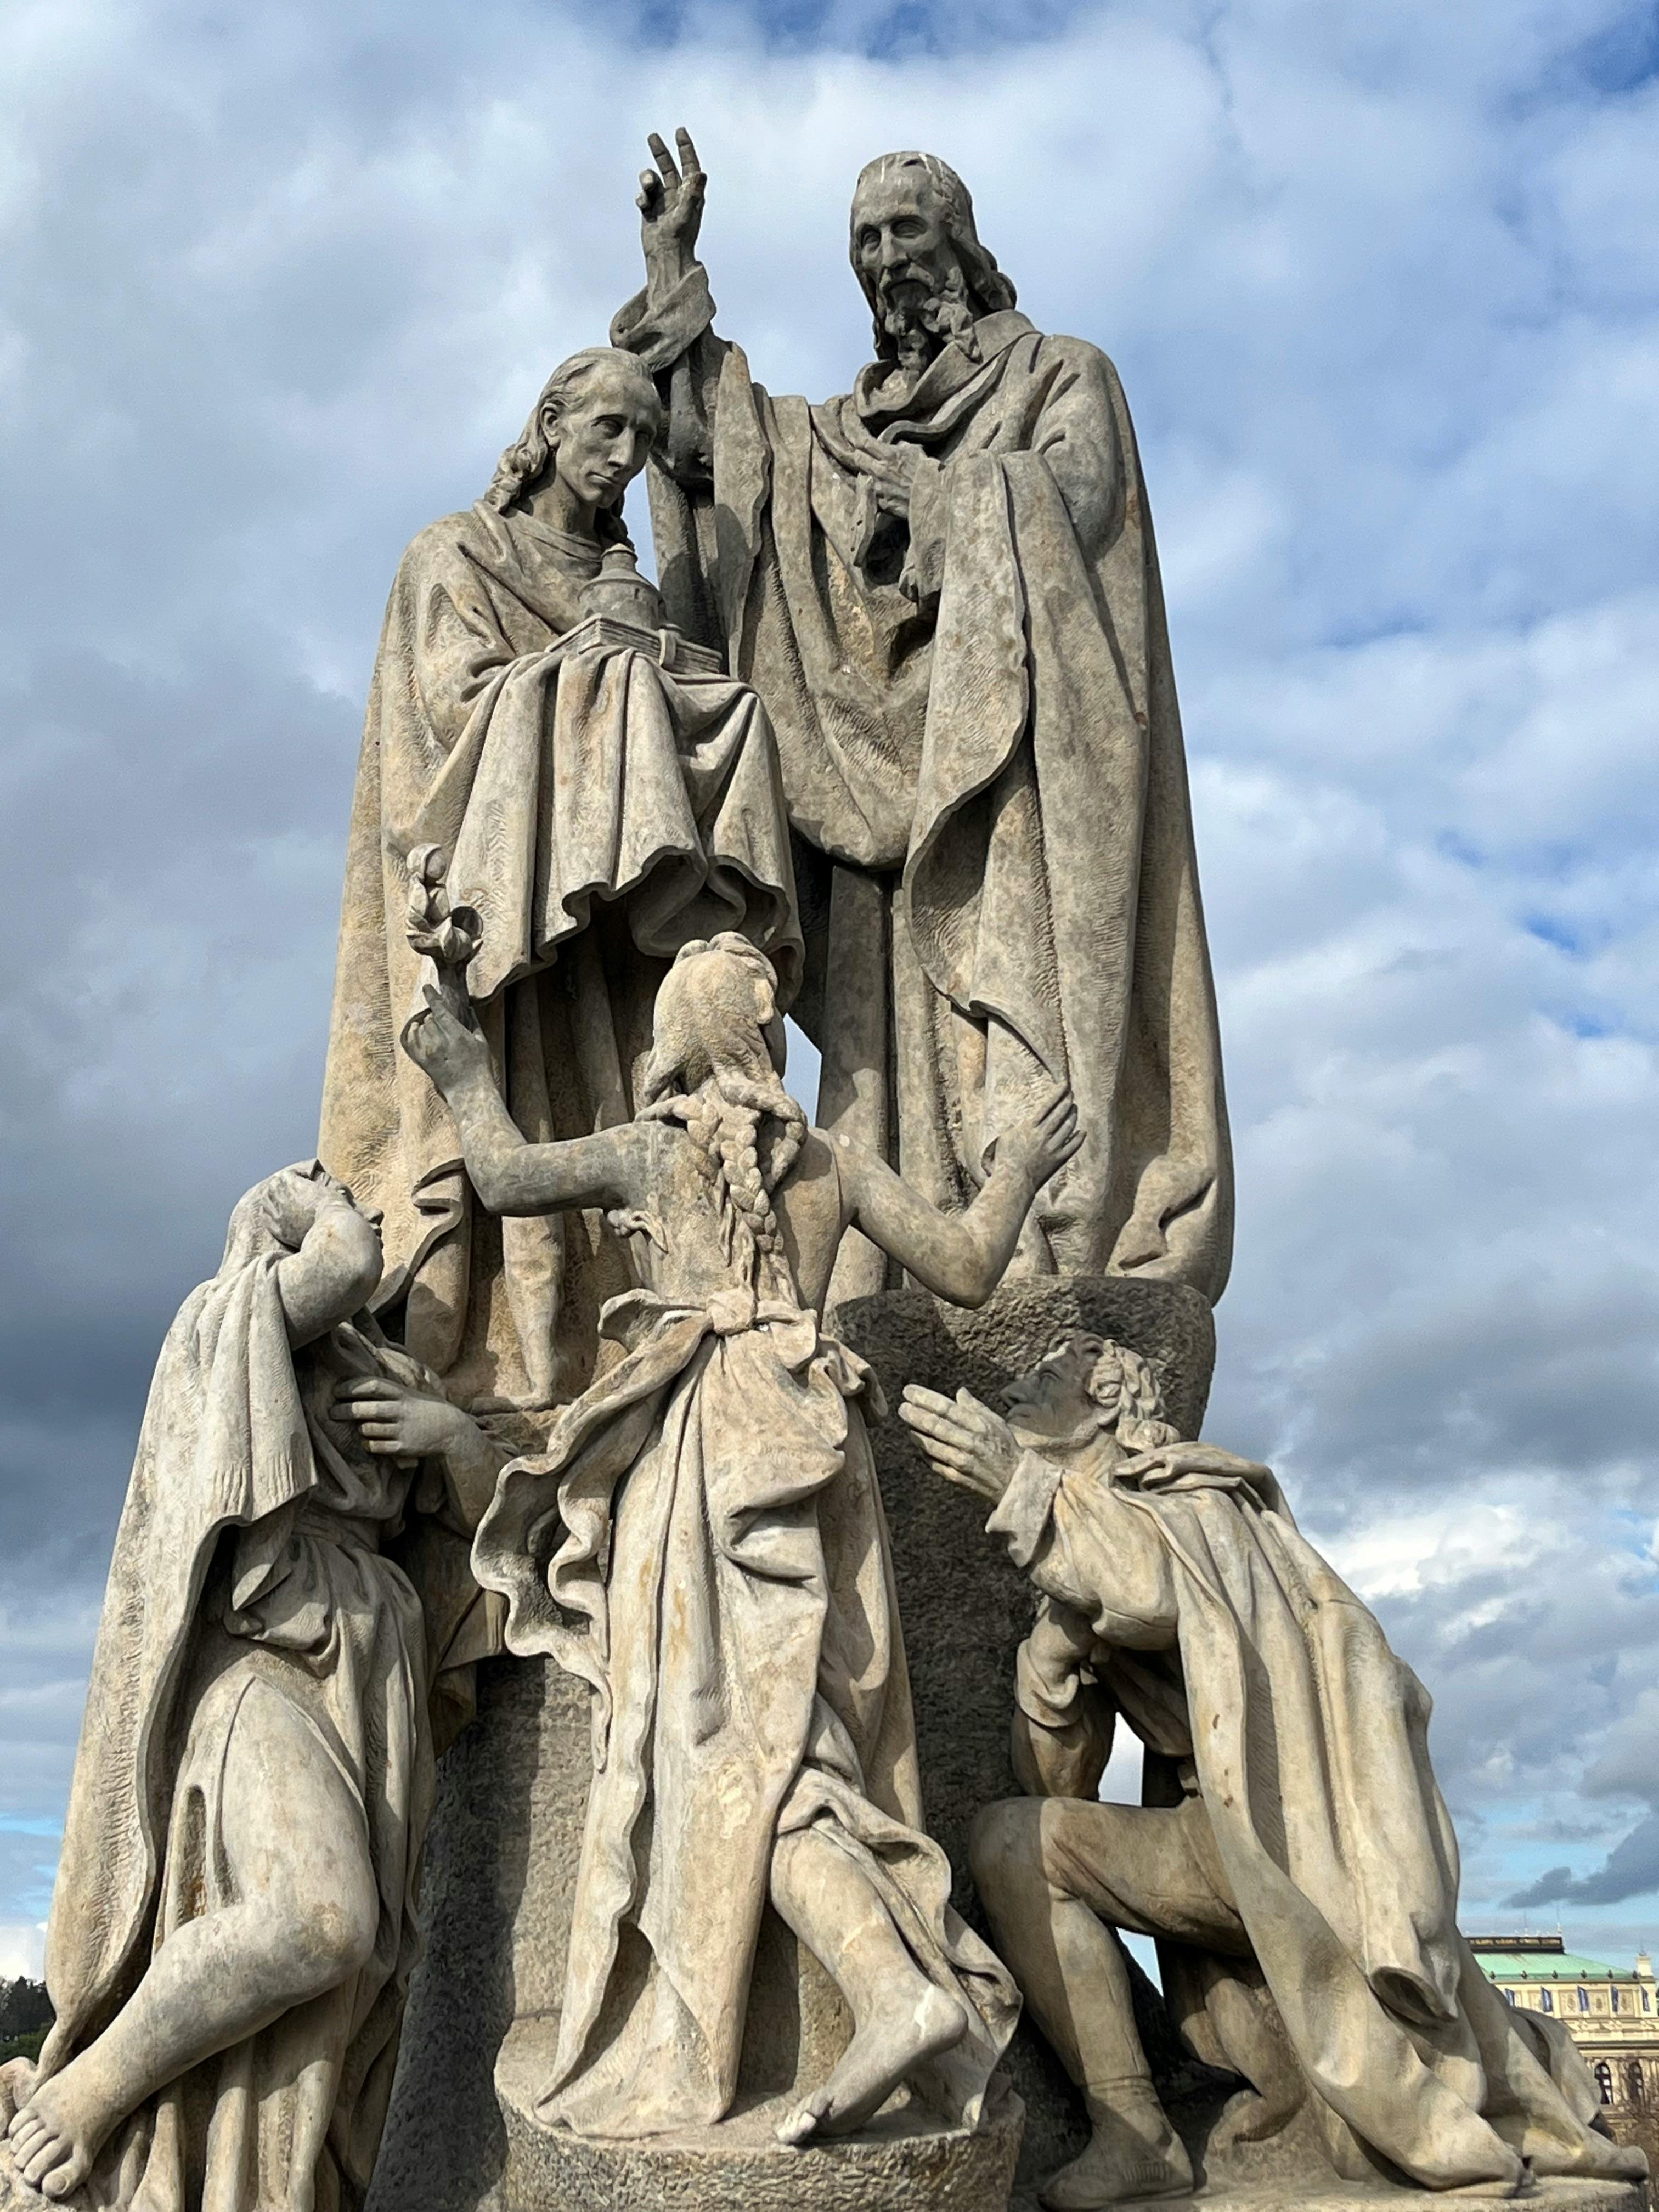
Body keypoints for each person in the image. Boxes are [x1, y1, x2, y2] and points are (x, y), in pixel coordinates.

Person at [399, 934, 1082, 2143]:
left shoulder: (654, 1154)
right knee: (797, 1747)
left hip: (709, 1453)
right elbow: (973, 1267)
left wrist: (459, 1062)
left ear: (678, 1036)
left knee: (731, 1761)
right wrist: (1018, 1169)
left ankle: (897, 1993)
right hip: (820, 1441)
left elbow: (500, 1178)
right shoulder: (832, 1163)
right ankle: (894, 1989)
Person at [611, 131, 1232, 1308]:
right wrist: (671, 272)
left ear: (960, 242)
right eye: (866, 240)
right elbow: (717, 457)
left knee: (1015, 1009)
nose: (888, 258)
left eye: (908, 230)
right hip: (871, 791)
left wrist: (948, 503)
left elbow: (1082, 514)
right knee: (883, 1038)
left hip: (1018, 775)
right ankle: (894, 1263)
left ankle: (1039, 1242)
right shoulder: (843, 432)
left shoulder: (1061, 376)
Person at [898, 1334, 1649, 2208]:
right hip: (1221, 1844)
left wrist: (1018, 1488)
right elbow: (1054, 1781)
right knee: (1011, 1839)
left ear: (1104, 1403)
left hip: (1297, 1835)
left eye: (1043, 1377)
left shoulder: (1191, 1499)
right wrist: (1053, 1661)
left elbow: (1146, 1594)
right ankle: (1134, 2131)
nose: (1015, 1392)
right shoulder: (1085, 1544)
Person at [3, 1164, 516, 2211]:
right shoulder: (231, 1320)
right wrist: (288, 1200)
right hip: (266, 1657)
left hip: (375, 1672)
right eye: (335, 1187)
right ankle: (91, 2094)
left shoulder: (385, 1371)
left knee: (349, 1991)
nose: (357, 1198)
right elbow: (345, 1261)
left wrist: (453, 1437)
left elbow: (496, 1533)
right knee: (320, 1917)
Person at [320, 343, 800, 1412]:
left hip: (622, 939)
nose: (625, 460)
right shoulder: (456, 554)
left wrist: (648, 669)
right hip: (508, 917)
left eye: (642, 441)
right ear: (547, 426)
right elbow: (452, 713)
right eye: (607, 431)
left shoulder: (632, 592)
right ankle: (521, 1360)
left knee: (732, 711)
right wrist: (600, 669)